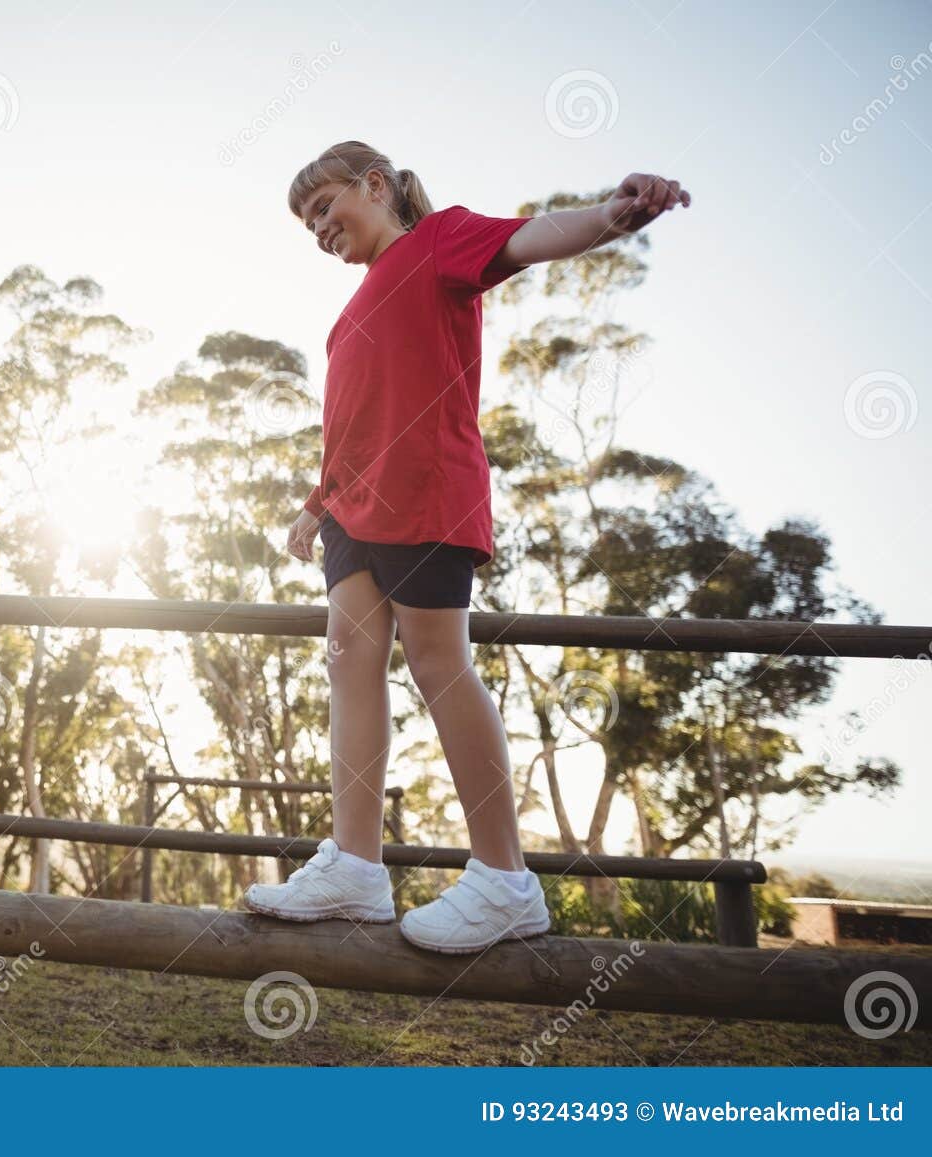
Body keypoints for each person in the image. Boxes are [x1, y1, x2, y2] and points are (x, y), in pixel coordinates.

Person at [242, 141, 689, 953]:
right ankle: (353, 866)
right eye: (306, 223)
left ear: (375, 185)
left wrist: (613, 215)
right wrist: (315, 505)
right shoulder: (353, 308)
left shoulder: (439, 241)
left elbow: (530, 236)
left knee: (438, 663)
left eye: (323, 207)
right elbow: (352, 421)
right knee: (349, 661)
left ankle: (504, 880)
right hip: (352, 514)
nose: (317, 229)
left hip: (428, 494)